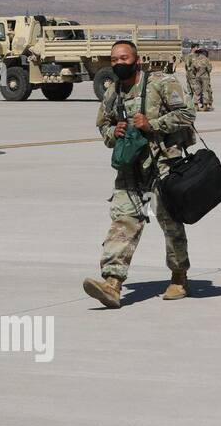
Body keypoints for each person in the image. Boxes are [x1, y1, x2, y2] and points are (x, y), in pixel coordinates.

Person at [82, 40, 197, 309]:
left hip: (163, 167)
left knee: (170, 224)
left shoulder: (161, 83)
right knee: (123, 222)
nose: (119, 63)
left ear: (137, 59)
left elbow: (187, 114)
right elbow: (103, 125)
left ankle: (179, 276)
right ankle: (112, 283)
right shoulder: (112, 92)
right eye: (114, 60)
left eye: (124, 58)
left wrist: (152, 124)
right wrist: (115, 132)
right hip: (130, 169)